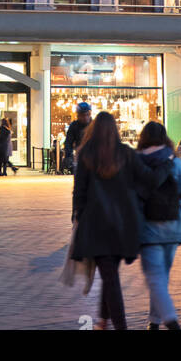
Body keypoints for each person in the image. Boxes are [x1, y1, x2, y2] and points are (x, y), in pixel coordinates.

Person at [68, 111, 156, 330]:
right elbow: (147, 179)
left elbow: (79, 192)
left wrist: (78, 216)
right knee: (110, 274)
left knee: (109, 277)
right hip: (123, 225)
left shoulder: (86, 154)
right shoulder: (126, 154)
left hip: (96, 226)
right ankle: (102, 321)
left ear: (94, 130)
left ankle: (119, 326)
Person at [136, 121, 181, 330]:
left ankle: (171, 322)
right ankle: (154, 322)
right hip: (173, 228)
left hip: (148, 229)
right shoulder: (177, 163)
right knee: (162, 277)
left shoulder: (136, 162)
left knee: (155, 278)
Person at [62, 103, 92, 175]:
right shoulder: (74, 126)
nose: (85, 117)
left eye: (87, 114)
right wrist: (69, 157)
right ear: (78, 115)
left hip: (93, 157)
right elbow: (68, 142)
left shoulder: (94, 124)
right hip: (80, 156)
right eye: (83, 115)